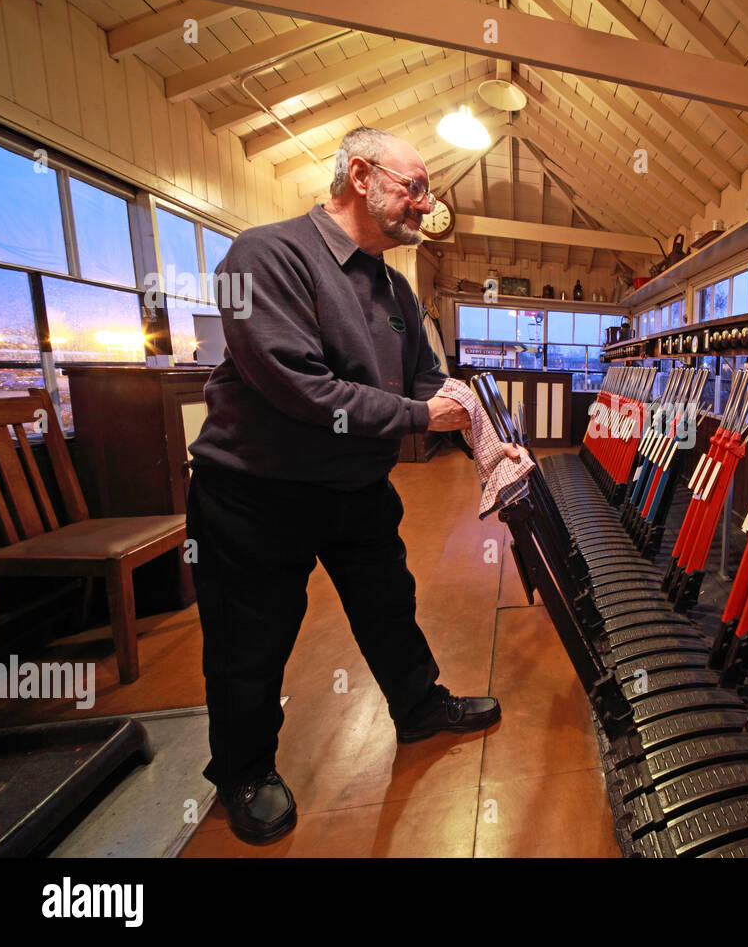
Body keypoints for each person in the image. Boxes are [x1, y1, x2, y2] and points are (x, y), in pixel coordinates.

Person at [186, 126, 515, 845]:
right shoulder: (264, 255)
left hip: (355, 486)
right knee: (251, 640)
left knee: (388, 604)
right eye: (416, 188)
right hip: (256, 491)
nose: (425, 207)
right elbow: (300, 387)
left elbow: (427, 379)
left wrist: (488, 432)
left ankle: (419, 707)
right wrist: (425, 414)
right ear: (361, 176)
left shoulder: (394, 286)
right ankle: (243, 770)